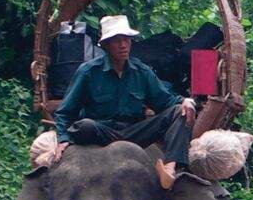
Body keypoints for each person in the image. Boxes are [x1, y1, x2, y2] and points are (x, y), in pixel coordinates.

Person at [52, 15, 195, 190]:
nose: (123, 45)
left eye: (126, 40)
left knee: (178, 111)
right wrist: (63, 139)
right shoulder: (89, 71)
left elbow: (165, 101)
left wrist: (184, 101)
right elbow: (65, 112)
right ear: (105, 45)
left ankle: (170, 167)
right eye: (116, 41)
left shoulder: (141, 71)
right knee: (84, 125)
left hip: (134, 132)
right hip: (102, 131)